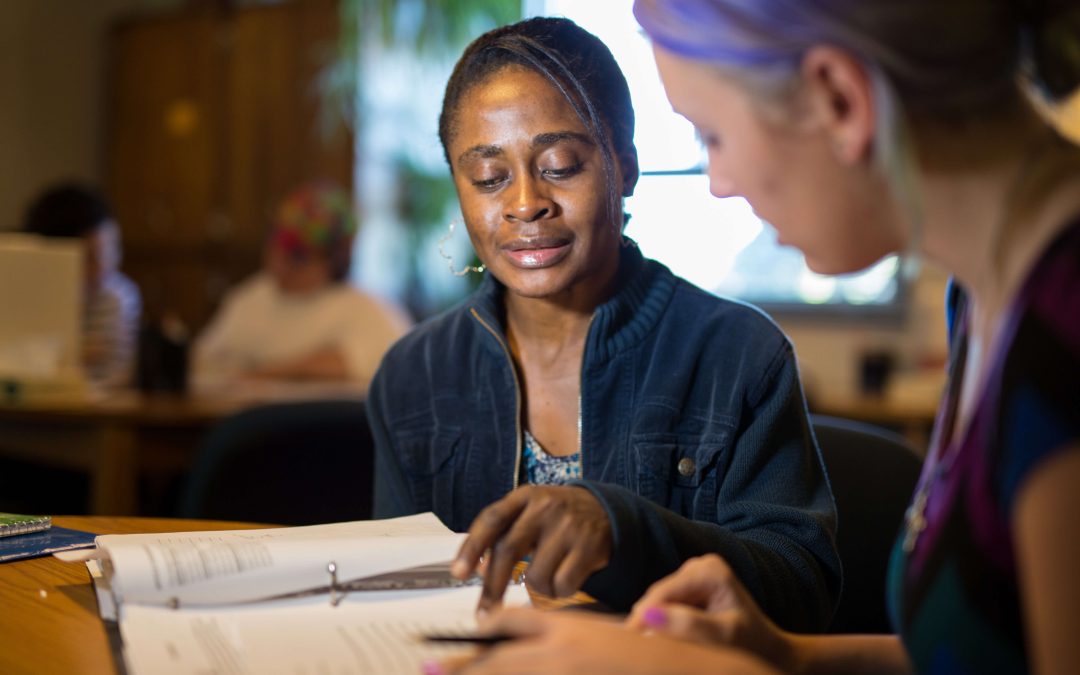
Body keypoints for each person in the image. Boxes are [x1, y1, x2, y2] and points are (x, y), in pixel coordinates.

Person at [444, 1, 1080, 674]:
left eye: (712, 134)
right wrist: (792, 655)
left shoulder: (1062, 331)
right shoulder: (983, 300)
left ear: (838, 99)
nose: (719, 183)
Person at [367, 17, 840, 631]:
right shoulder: (414, 376)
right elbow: (392, 599)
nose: (523, 203)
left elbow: (803, 588)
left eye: (561, 166)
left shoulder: (736, 354)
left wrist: (624, 531)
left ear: (626, 166)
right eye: (488, 178)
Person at [192, 182, 411, 388]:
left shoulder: (363, 307)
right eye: (276, 245)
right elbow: (204, 360)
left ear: (332, 261)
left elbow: (381, 362)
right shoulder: (249, 298)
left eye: (297, 255)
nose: (280, 262)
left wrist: (266, 373)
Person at [22, 182, 142, 387]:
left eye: (112, 251)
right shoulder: (28, 293)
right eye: (89, 258)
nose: (104, 268)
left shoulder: (118, 297)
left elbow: (116, 378)